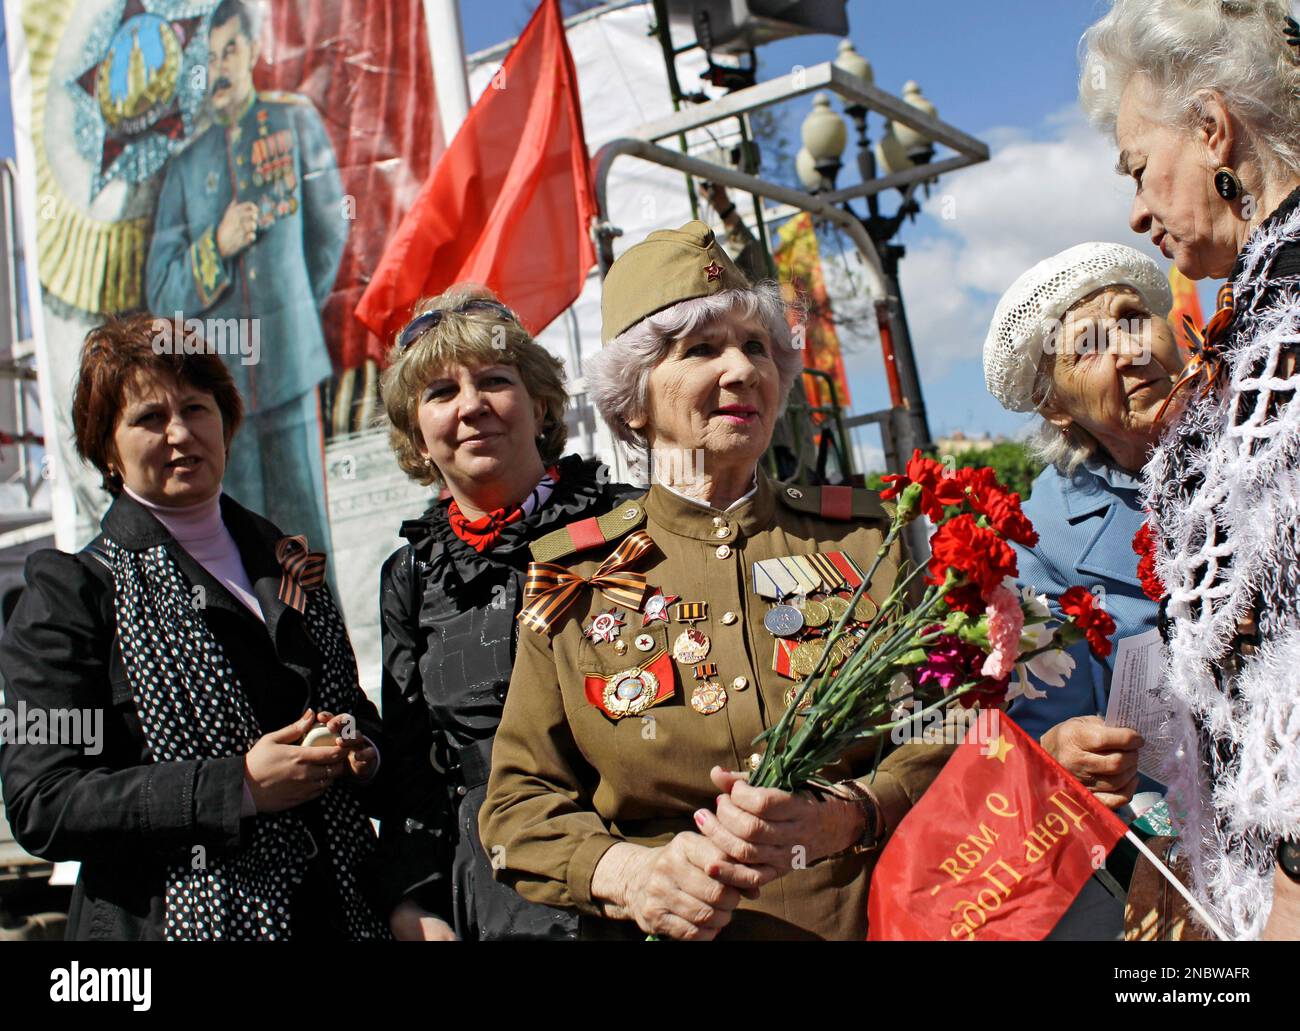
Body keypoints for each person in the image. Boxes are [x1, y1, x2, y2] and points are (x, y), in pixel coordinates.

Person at [479, 222, 952, 940]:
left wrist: (850, 811)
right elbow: (517, 803)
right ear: (634, 399)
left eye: (756, 346)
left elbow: (945, 726)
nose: (742, 370)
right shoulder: (573, 574)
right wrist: (628, 875)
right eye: (702, 349)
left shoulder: (865, 542)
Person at [0, 315, 387, 941]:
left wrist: (359, 751)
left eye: (196, 408)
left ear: (226, 424)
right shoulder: (68, 592)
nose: (181, 433)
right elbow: (41, 802)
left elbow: (352, 711)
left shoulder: (288, 565)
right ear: (107, 449)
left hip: (337, 911)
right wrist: (237, 788)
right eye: (150, 418)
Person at [1080, 0, 1300, 940]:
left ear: (1214, 128)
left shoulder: (1285, 316)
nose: (1136, 208)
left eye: (1138, 165)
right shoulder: (1256, 315)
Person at [368, 286, 637, 942]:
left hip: (639, 876)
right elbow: (410, 766)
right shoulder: (409, 575)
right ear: (416, 436)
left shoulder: (631, 525)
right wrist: (414, 902)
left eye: (493, 380)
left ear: (541, 404)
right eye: (440, 393)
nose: (470, 406)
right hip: (491, 895)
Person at [983, 241, 1183, 938]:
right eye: (1089, 348)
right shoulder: (1035, 547)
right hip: (1183, 858)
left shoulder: (1264, 434)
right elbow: (1062, 752)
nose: (1131, 350)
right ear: (1056, 405)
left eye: (1134, 317)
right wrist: (1065, 749)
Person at [145, 0, 346, 563]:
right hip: (219, 392)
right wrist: (216, 246)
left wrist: (293, 314)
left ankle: (325, 650)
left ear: (253, 51)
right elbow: (161, 292)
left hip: (289, 368)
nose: (221, 68)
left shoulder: (293, 122)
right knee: (238, 549)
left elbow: (328, 235)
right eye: (208, 59)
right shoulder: (185, 169)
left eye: (230, 49)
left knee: (306, 540)